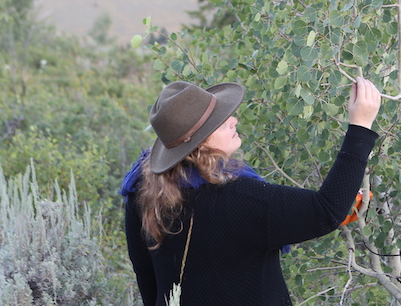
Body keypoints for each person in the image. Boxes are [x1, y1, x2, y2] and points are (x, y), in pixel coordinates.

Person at [120, 77, 381, 305]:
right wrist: (360, 127)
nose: (233, 119)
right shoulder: (244, 198)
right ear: (200, 143)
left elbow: (147, 279)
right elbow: (326, 211)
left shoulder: (140, 193)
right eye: (221, 121)